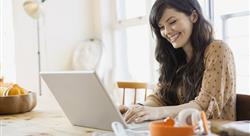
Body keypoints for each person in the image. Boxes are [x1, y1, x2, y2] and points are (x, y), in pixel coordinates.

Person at [119, 0, 236, 124]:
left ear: (194, 16)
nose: (167, 31)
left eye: (172, 22)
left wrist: (156, 112)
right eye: (162, 27)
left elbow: (203, 107)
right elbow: (160, 98)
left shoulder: (217, 49)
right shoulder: (175, 58)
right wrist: (138, 108)